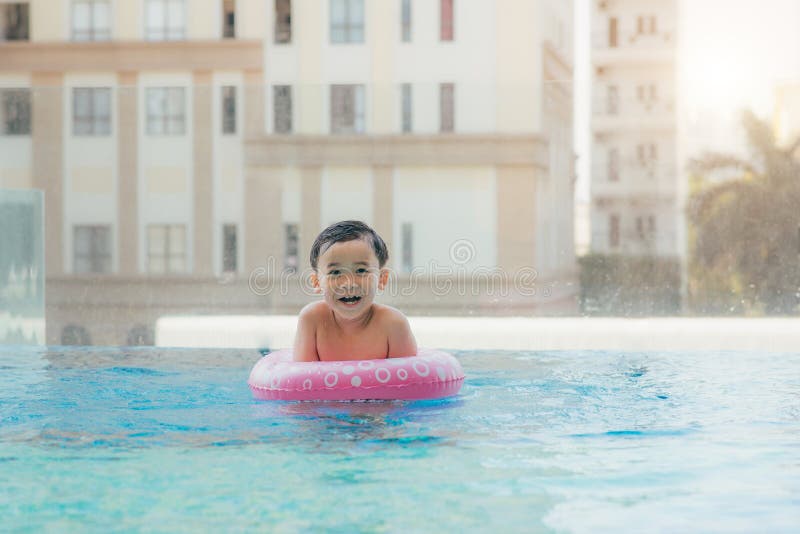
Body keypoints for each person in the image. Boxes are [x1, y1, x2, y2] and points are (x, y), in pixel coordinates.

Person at [293, 220, 418, 362]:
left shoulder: (393, 325)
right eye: (335, 272)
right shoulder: (312, 320)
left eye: (361, 270)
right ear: (316, 282)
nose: (349, 284)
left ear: (382, 279)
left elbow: (409, 380)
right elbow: (302, 378)